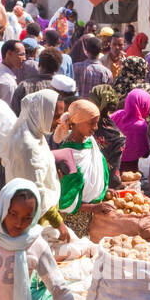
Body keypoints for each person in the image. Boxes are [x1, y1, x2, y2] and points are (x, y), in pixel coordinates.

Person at [3, 89, 68, 239]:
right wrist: (59, 223)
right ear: (41, 113)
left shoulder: (36, 135)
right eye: (56, 116)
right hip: (30, 221)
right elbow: (35, 191)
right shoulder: (27, 145)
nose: (59, 121)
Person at [53, 100, 109, 236]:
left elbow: (95, 175)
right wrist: (93, 207)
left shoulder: (89, 142)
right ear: (77, 122)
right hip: (72, 223)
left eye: (97, 122)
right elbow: (65, 201)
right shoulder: (67, 154)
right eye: (92, 123)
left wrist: (106, 190)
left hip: (91, 218)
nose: (96, 128)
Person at [89, 83, 126, 191]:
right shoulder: (117, 136)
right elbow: (113, 177)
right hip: (105, 190)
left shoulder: (82, 126)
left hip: (82, 188)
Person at [112, 88, 150, 173]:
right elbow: (145, 153)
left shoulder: (116, 115)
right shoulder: (141, 126)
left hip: (111, 162)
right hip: (131, 168)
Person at [74, 35, 108, 99]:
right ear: (101, 50)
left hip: (77, 106)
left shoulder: (75, 67)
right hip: (95, 108)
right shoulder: (106, 73)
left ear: (86, 49)